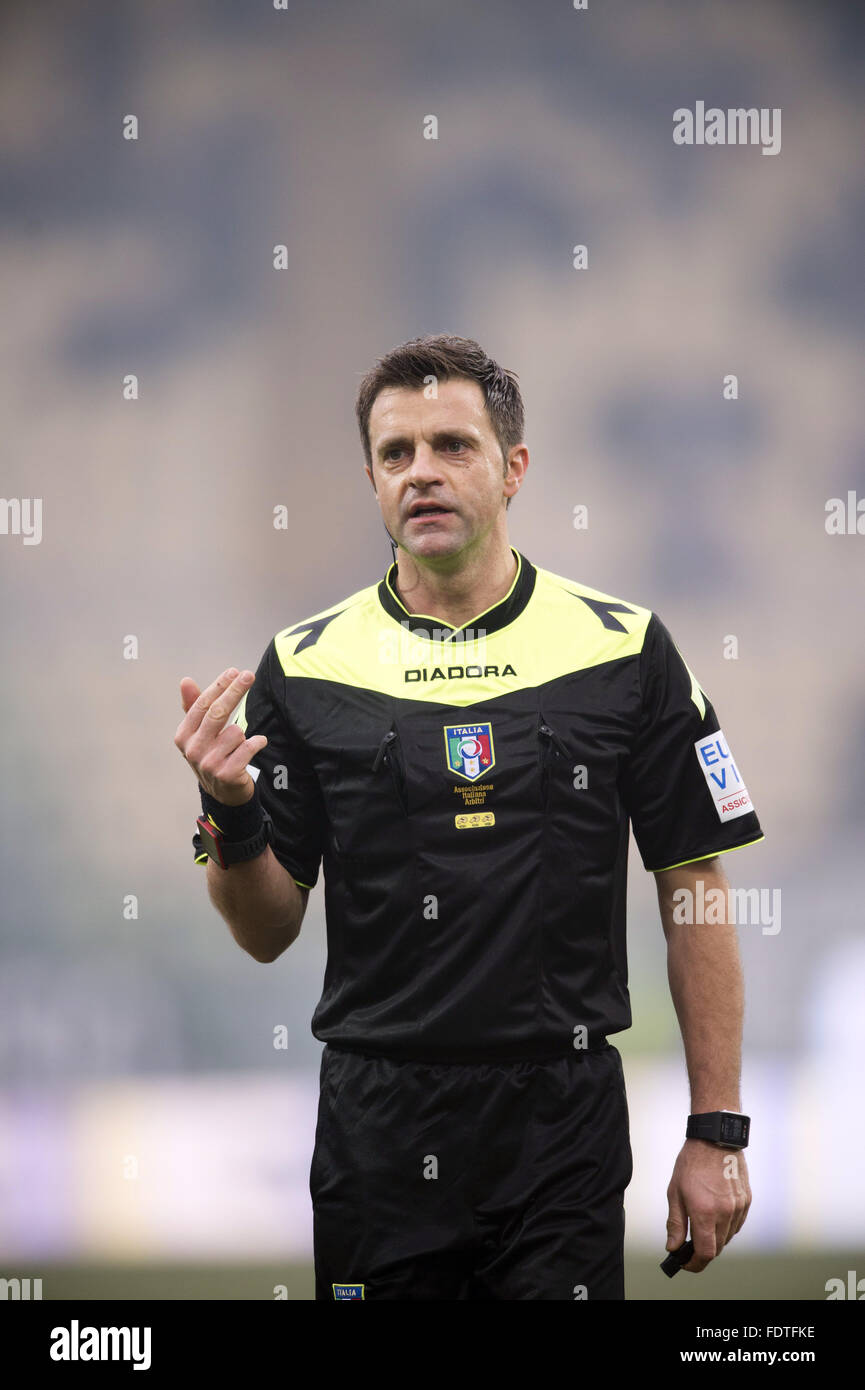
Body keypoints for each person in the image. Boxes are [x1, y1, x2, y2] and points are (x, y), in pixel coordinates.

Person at [174, 334, 764, 1301]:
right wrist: (228, 815)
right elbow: (265, 931)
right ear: (371, 480)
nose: (422, 472)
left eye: (451, 445)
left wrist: (717, 1129)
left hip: (561, 1120)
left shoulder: (623, 650)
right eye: (395, 453)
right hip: (377, 1125)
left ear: (512, 467)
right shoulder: (305, 666)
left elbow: (693, 885)